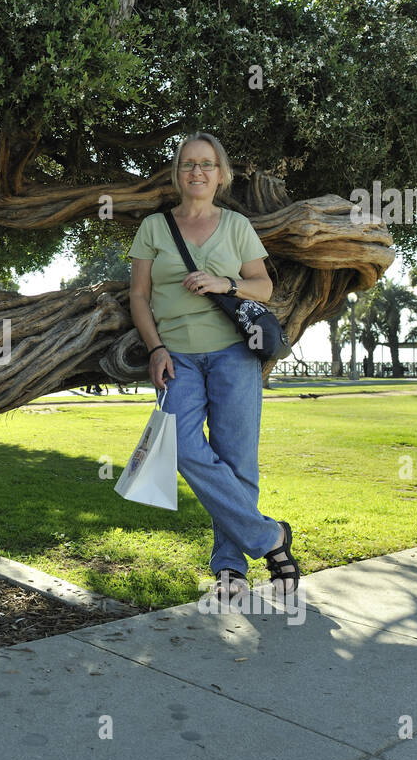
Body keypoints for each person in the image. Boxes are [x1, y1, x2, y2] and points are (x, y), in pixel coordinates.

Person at [127, 131, 298, 601]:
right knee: (181, 447)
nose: (197, 172)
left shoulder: (237, 225)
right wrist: (156, 348)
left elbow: (263, 287)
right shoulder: (154, 228)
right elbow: (138, 295)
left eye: (206, 164)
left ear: (220, 174)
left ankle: (230, 569)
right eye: (188, 164)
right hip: (176, 356)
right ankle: (270, 538)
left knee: (237, 457)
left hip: (234, 354)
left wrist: (226, 282)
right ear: (178, 173)